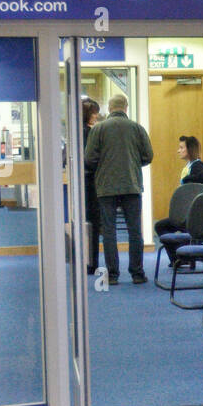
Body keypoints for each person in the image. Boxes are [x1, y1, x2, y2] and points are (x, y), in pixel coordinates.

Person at [84, 94, 152, 284]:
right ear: (126, 108)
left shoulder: (99, 129)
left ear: (109, 109)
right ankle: (137, 273)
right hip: (132, 184)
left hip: (106, 187)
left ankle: (112, 275)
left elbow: (89, 158)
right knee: (135, 230)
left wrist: (103, 166)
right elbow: (148, 155)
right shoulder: (137, 128)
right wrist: (133, 163)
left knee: (109, 231)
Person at [81, 98, 102, 274]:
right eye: (94, 112)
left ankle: (87, 261)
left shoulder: (76, 133)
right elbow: (92, 159)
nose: (96, 116)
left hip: (83, 183)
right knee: (93, 225)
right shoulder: (89, 133)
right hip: (91, 184)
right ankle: (92, 262)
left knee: (87, 224)